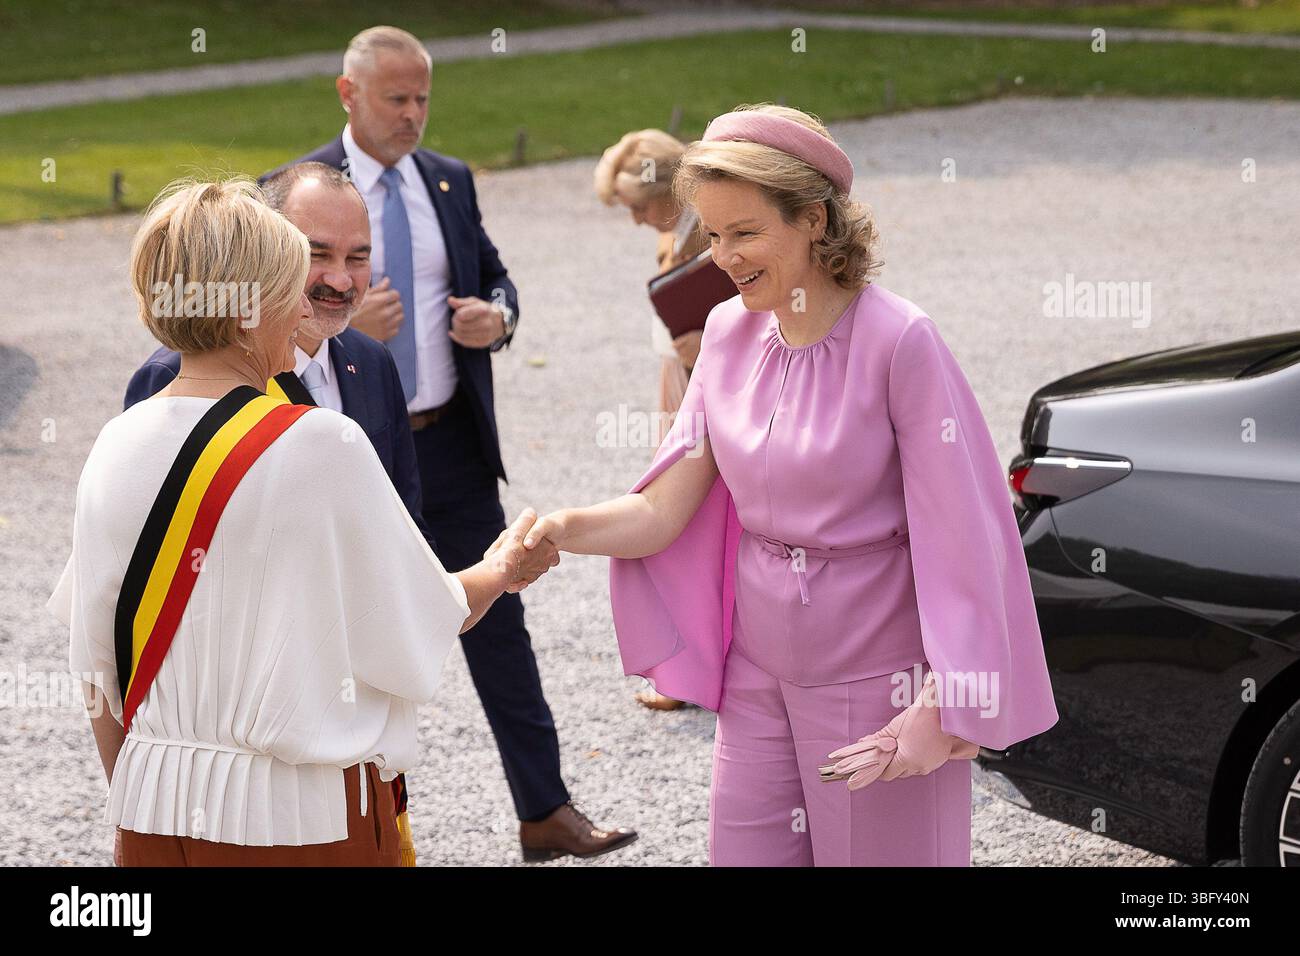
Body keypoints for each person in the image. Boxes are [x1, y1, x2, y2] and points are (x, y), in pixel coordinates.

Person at [515, 104, 1059, 866]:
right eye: (712, 235)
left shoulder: (900, 340)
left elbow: (968, 532)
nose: (723, 258)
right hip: (756, 676)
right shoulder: (728, 332)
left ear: (812, 220)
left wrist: (946, 706)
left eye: (744, 234)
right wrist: (563, 528)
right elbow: (665, 505)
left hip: (882, 683)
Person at [47, 177, 558, 866]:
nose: (308, 313)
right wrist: (503, 570)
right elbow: (423, 615)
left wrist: (144, 800)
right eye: (293, 286)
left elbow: (97, 672)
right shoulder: (321, 443)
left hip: (150, 820)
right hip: (303, 824)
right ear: (249, 308)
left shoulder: (115, 443)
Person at [259, 25, 634, 860]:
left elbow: (497, 275)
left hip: (451, 445)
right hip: (335, 457)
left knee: (499, 621)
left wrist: (498, 318)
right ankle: (363, 827)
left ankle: (546, 810)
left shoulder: (449, 179)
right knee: (346, 632)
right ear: (347, 94)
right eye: (396, 97)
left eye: (423, 96)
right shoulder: (289, 194)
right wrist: (350, 320)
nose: (413, 113)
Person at [594, 129, 708, 712]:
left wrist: (702, 354)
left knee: (685, 524)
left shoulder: (711, 231)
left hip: (701, 387)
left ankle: (691, 668)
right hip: (678, 381)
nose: (636, 221)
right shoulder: (679, 228)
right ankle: (686, 665)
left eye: (638, 207)